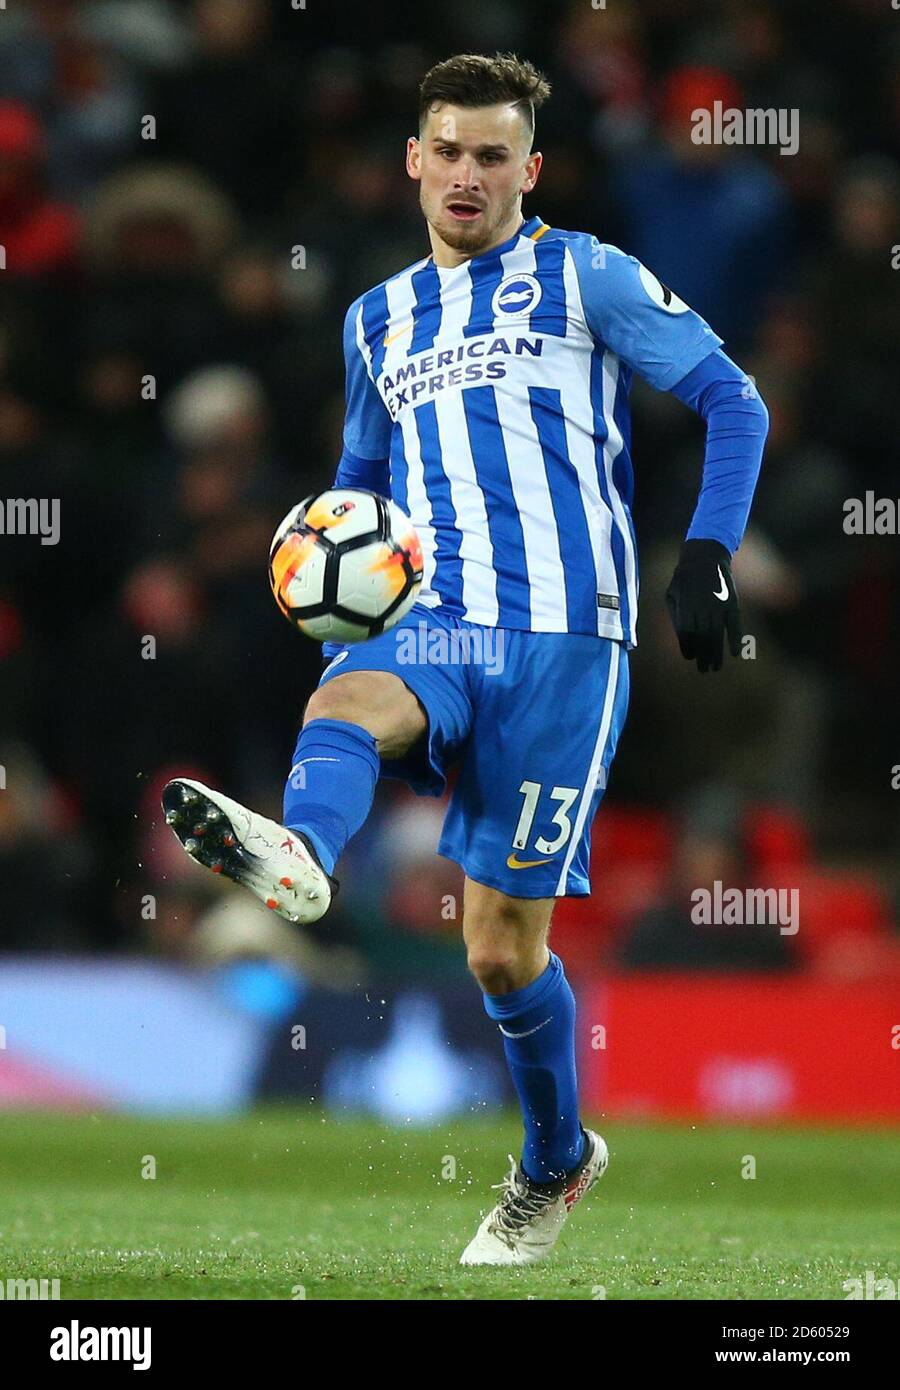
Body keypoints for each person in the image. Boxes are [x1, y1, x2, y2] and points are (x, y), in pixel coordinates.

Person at [162, 53, 768, 1265]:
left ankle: (555, 1160)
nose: (468, 174)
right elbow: (361, 482)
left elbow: (733, 400)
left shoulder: (585, 273)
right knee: (349, 694)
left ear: (529, 170)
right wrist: (320, 550)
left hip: (566, 640)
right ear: (415, 158)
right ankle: (302, 853)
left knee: (500, 950)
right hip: (437, 616)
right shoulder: (375, 318)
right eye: (449, 148)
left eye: (495, 155)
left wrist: (705, 557)